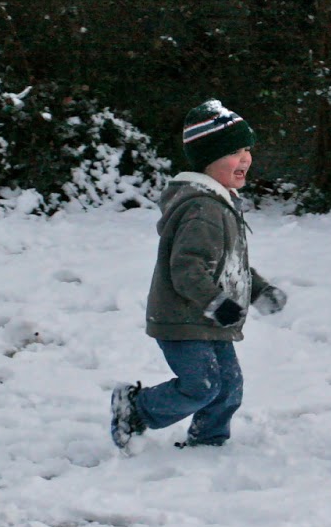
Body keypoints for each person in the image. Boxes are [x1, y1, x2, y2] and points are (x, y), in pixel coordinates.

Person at [111, 100, 287, 451]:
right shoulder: (203, 209)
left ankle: (208, 442)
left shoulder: (220, 204)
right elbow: (187, 269)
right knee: (202, 386)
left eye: (248, 149)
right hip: (182, 318)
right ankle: (136, 409)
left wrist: (259, 290)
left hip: (210, 317)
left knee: (229, 386)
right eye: (235, 151)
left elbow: (229, 264)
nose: (246, 159)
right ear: (209, 159)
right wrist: (217, 303)